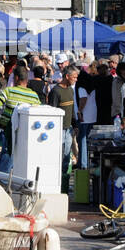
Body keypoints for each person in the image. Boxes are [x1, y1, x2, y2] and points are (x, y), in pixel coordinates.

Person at [0, 66, 40, 170]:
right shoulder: (34, 96)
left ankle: (2, 181)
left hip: (9, 132)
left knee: (7, 157)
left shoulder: (9, 91)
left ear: (16, 78)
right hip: (26, 134)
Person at [47, 64, 79, 193]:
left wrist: (75, 125)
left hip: (68, 129)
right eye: (75, 77)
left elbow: (71, 110)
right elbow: (52, 111)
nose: (76, 79)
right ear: (67, 76)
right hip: (58, 130)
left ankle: (64, 185)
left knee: (66, 157)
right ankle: (56, 184)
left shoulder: (71, 90)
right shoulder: (56, 91)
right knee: (57, 157)